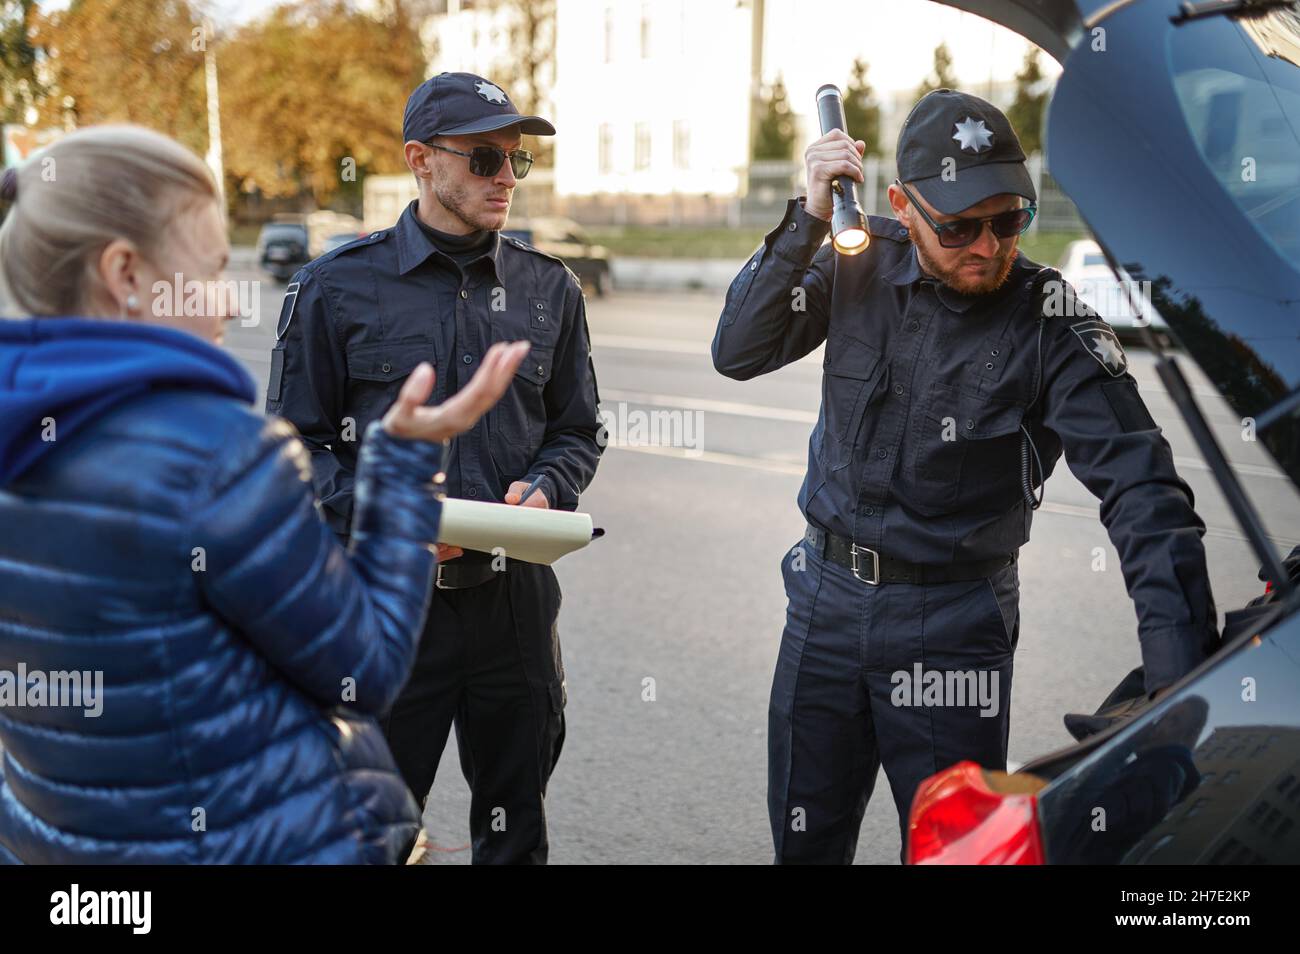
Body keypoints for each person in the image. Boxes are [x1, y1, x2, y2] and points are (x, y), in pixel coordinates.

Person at [712, 88, 1220, 864]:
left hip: (952, 628)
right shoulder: (859, 260)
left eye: (1009, 218)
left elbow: (1145, 493)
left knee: (960, 855)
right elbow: (739, 350)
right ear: (900, 205)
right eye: (957, 225)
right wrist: (809, 217)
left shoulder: (1051, 318)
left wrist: (1182, 691)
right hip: (824, 605)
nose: (987, 245)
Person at [0, 124, 530, 864]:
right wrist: (405, 469)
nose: (227, 303)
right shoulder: (215, 456)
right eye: (211, 271)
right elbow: (363, 669)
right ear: (125, 272)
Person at [269, 72, 603, 864]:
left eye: (518, 161)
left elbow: (577, 430)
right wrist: (386, 518)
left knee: (516, 826)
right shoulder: (334, 287)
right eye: (486, 159)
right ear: (421, 160)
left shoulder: (549, 288)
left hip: (513, 605)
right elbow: (292, 452)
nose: (508, 179)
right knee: (371, 834)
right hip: (384, 607)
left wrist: (549, 486)